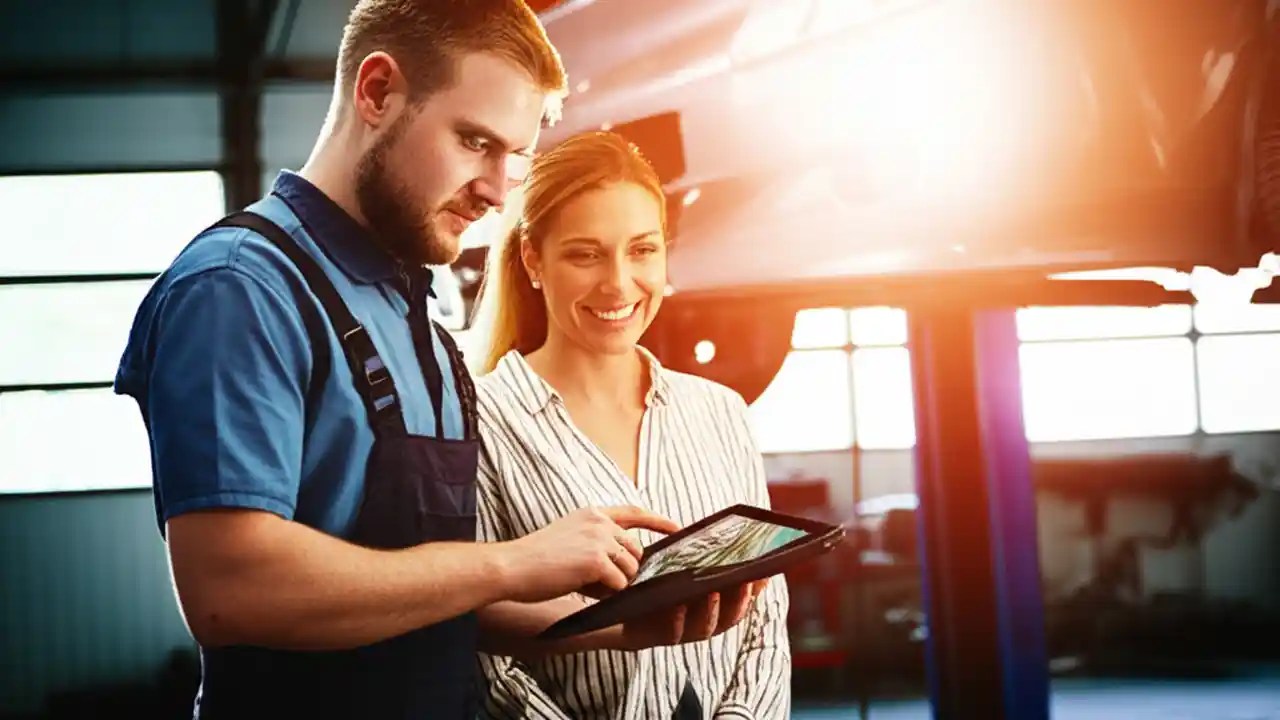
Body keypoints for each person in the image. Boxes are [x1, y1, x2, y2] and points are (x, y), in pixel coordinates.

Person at [112, 3, 750, 718]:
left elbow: (437, 602)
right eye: (475, 142)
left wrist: (623, 628)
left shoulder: (417, 318)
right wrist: (513, 561)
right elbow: (231, 592)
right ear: (377, 91)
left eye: (514, 157)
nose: (497, 190)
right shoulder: (241, 289)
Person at [468, 130, 793, 719]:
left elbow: (765, 622)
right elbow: (487, 660)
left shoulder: (720, 411)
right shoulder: (481, 422)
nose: (618, 284)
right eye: (585, 254)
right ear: (533, 259)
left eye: (642, 250)